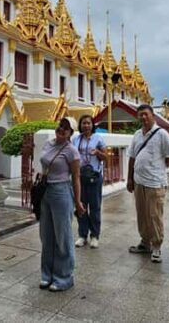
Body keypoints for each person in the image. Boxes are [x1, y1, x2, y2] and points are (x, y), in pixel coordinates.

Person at [38, 117, 86, 292]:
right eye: (61, 126)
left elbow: (76, 178)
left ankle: (64, 277)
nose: (62, 129)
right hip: (45, 191)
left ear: (70, 134)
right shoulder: (48, 144)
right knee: (46, 235)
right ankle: (47, 274)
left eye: (66, 128)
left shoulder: (71, 151)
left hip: (61, 191)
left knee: (62, 236)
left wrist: (78, 201)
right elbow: (43, 165)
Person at [126, 104, 169, 263]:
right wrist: (130, 178)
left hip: (155, 182)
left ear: (153, 115)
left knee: (154, 216)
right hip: (139, 182)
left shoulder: (162, 134)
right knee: (142, 215)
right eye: (140, 115)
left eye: (146, 114)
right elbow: (132, 157)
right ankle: (145, 242)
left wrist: (156, 168)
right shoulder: (137, 135)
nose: (143, 117)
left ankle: (156, 246)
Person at [71, 115, 107, 249]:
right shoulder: (75, 139)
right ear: (80, 126)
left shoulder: (98, 139)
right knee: (81, 206)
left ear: (92, 125)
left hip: (94, 177)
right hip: (79, 177)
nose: (86, 126)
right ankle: (82, 235)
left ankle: (94, 235)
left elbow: (105, 158)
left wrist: (97, 152)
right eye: (83, 123)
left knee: (95, 207)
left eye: (88, 123)